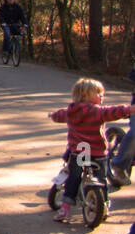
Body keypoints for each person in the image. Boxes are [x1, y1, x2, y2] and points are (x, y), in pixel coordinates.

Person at [49, 77, 132, 222]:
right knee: (101, 179)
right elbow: (115, 111)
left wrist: (52, 115)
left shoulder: (71, 111)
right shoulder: (97, 112)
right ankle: (104, 205)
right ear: (85, 95)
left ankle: (66, 207)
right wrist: (130, 109)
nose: (101, 96)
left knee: (74, 178)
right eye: (98, 93)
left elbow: (59, 115)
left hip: (81, 151)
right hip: (98, 152)